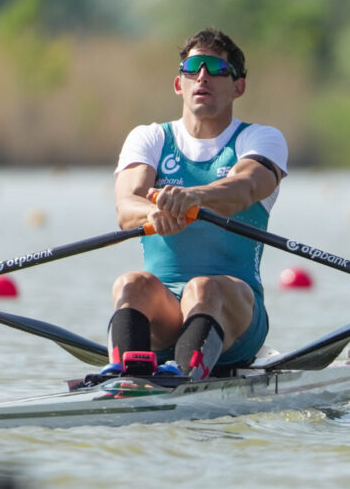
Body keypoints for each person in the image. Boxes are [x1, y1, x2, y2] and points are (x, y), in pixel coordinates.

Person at [106, 28, 288, 381]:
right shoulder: (150, 138)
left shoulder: (260, 138)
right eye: (193, 67)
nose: (203, 76)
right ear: (179, 84)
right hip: (164, 316)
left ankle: (184, 380)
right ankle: (124, 379)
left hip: (236, 317)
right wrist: (156, 213)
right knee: (131, 283)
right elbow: (126, 209)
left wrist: (192, 198)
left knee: (203, 288)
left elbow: (246, 187)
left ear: (239, 87)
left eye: (218, 69)